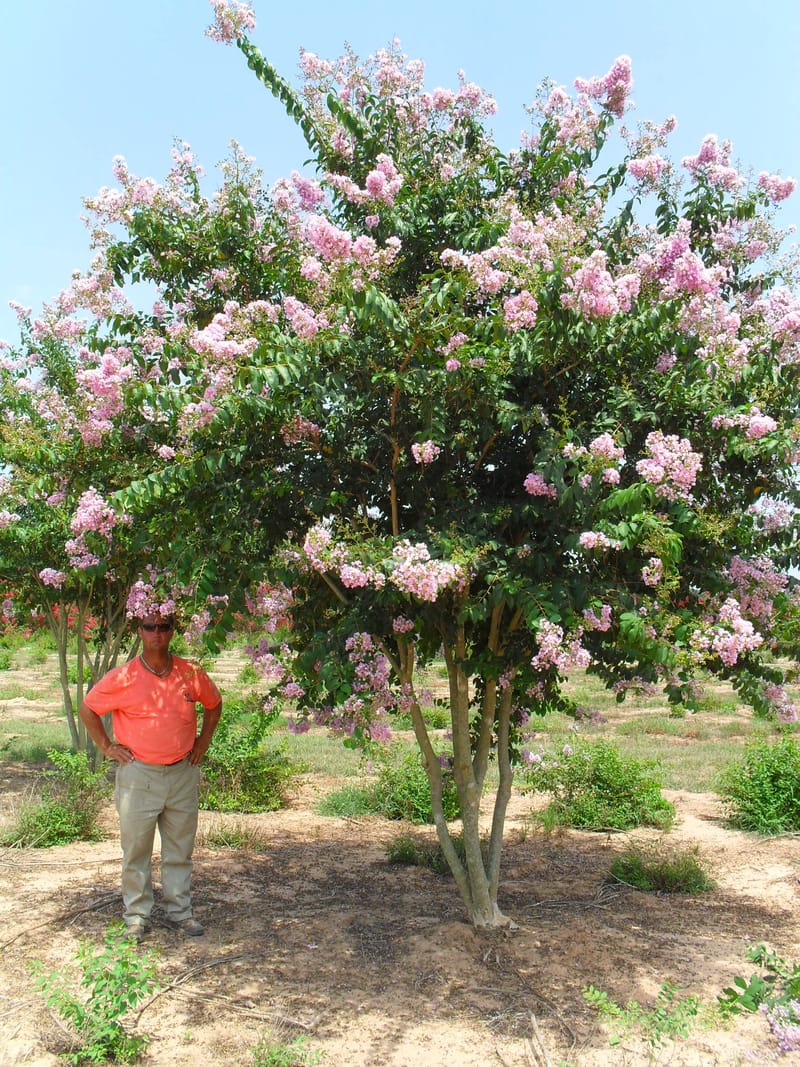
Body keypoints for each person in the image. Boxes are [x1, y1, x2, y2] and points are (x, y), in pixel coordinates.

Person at [78, 612, 222, 943]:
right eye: (149, 627)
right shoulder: (123, 676)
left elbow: (214, 705)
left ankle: (179, 912)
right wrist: (106, 746)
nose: (157, 633)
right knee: (136, 850)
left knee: (179, 849)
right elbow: (88, 709)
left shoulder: (191, 673)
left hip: (181, 773)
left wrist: (202, 742)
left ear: (173, 631)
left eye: (163, 626)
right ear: (138, 631)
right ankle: (136, 915)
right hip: (138, 775)